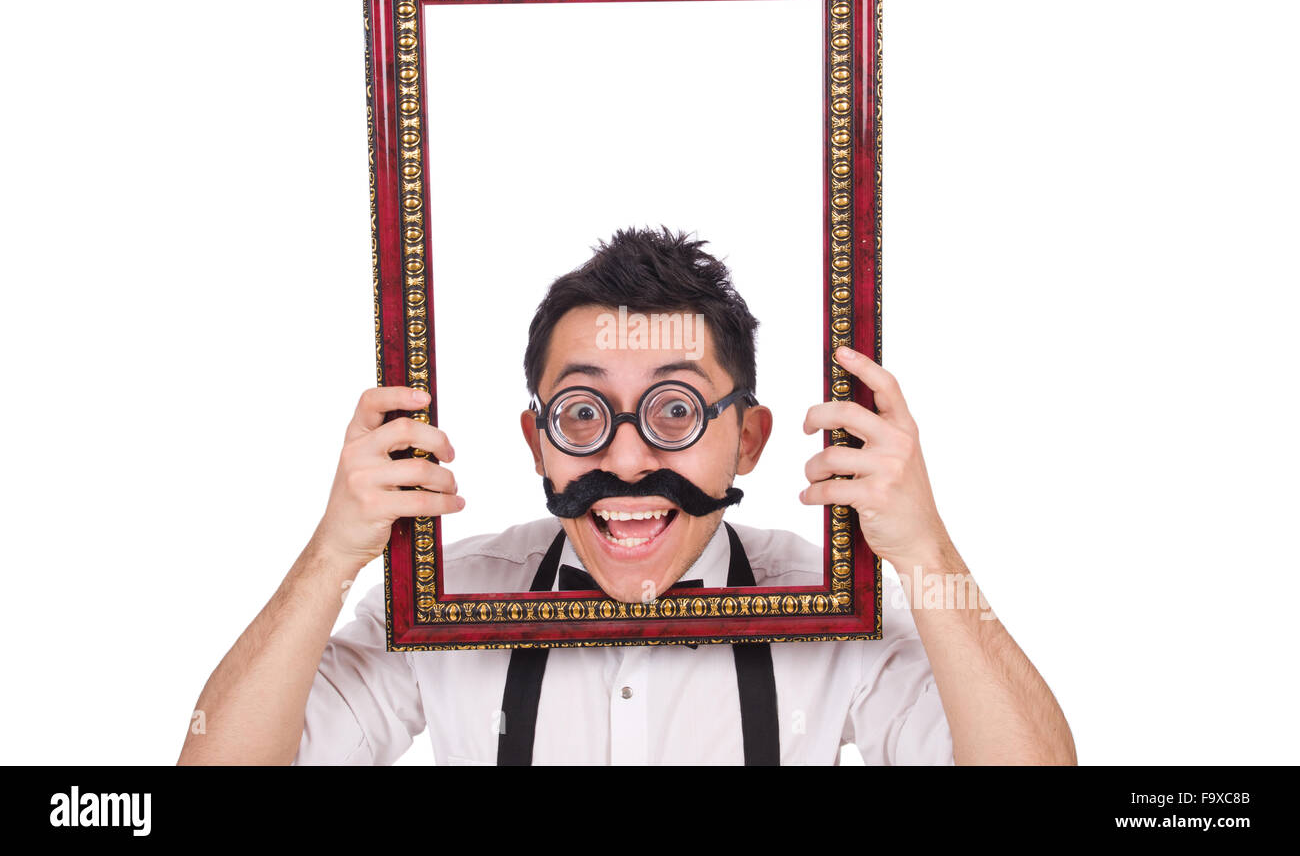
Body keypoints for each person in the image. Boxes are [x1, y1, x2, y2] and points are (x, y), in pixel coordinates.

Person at [177, 227, 1076, 766]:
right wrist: (332, 554)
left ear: (749, 440)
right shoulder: (447, 602)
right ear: (536, 441)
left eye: (675, 409)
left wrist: (925, 553)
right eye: (581, 412)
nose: (630, 457)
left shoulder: (831, 606)